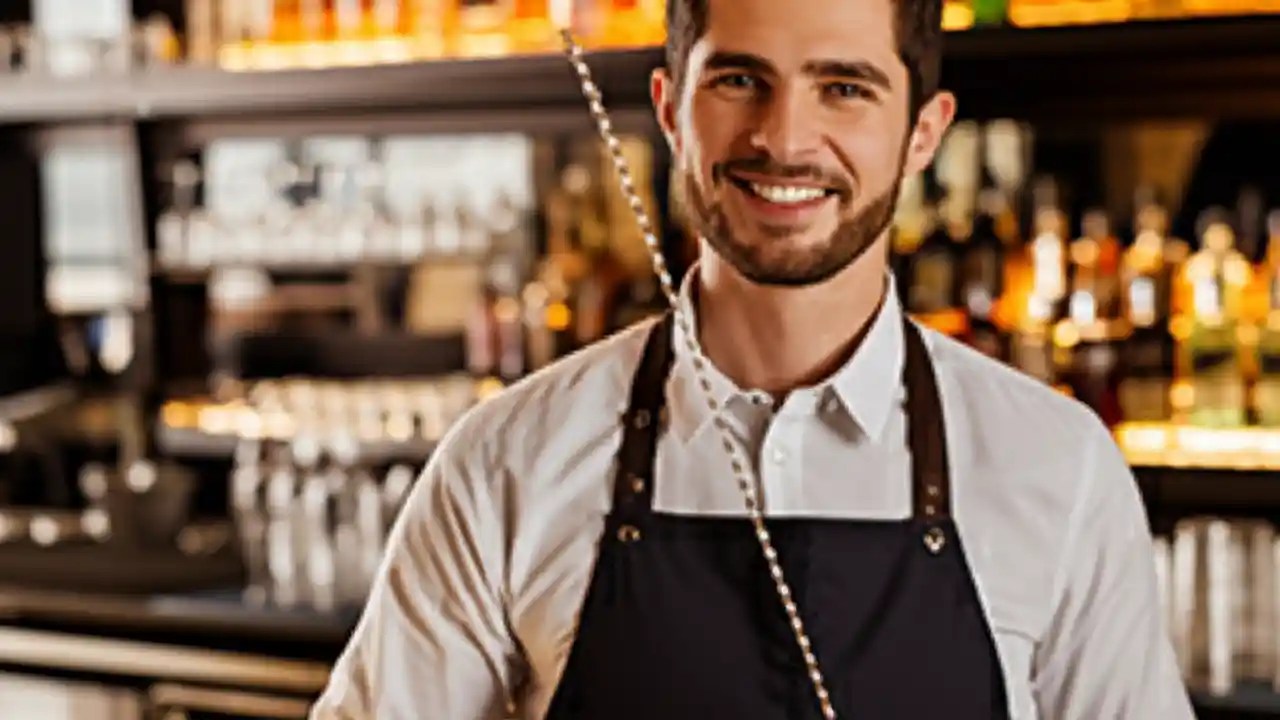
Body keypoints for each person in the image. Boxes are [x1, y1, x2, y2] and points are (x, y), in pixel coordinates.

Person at [310, 0, 1195, 717]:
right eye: (739, 79)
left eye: (843, 87)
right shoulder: (505, 461)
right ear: (668, 109)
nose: (783, 138)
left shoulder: (1058, 464)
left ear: (924, 133)